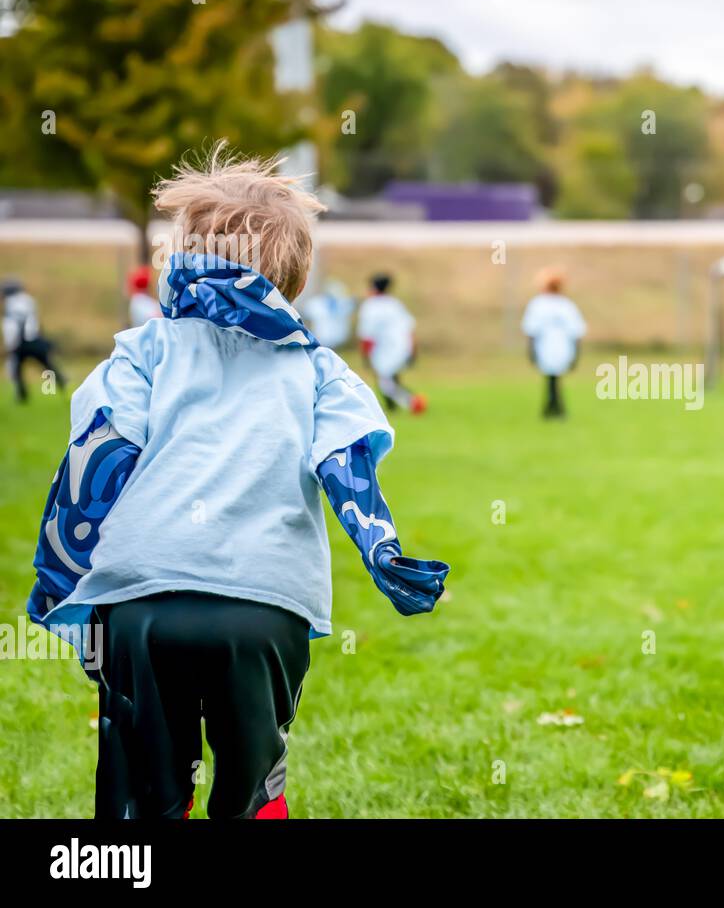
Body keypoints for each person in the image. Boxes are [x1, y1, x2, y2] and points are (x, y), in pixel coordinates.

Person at [25, 145, 449, 819]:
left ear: (176, 258)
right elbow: (347, 469)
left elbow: (96, 458)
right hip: (264, 607)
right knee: (252, 789)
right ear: (296, 276)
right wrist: (382, 550)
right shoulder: (317, 370)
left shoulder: (142, 352)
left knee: (144, 792)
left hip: (140, 606)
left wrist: (59, 575)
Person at [522, 266, 586, 419]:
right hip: (559, 347)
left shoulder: (539, 304)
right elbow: (576, 331)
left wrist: (531, 351)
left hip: (548, 347)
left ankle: (553, 408)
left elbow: (531, 330)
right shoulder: (565, 305)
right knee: (553, 378)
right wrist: (576, 353)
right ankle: (555, 408)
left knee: (552, 378)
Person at [357, 272, 425, 414]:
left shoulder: (370, 306)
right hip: (402, 347)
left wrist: (365, 356)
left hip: (384, 351)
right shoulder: (395, 304)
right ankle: (393, 407)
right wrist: (413, 350)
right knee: (389, 378)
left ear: (374, 288)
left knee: (385, 383)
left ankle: (413, 402)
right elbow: (409, 328)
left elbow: (367, 336)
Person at [3, 278, 64, 403]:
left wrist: (10, 346)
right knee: (48, 366)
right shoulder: (28, 300)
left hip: (20, 343)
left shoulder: (9, 304)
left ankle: (22, 396)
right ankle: (59, 387)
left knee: (17, 370)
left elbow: (11, 327)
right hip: (35, 339)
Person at [301, 279, 355, 350]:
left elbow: (351, 305)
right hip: (322, 337)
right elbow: (306, 312)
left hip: (337, 339)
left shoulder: (342, 303)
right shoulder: (316, 303)